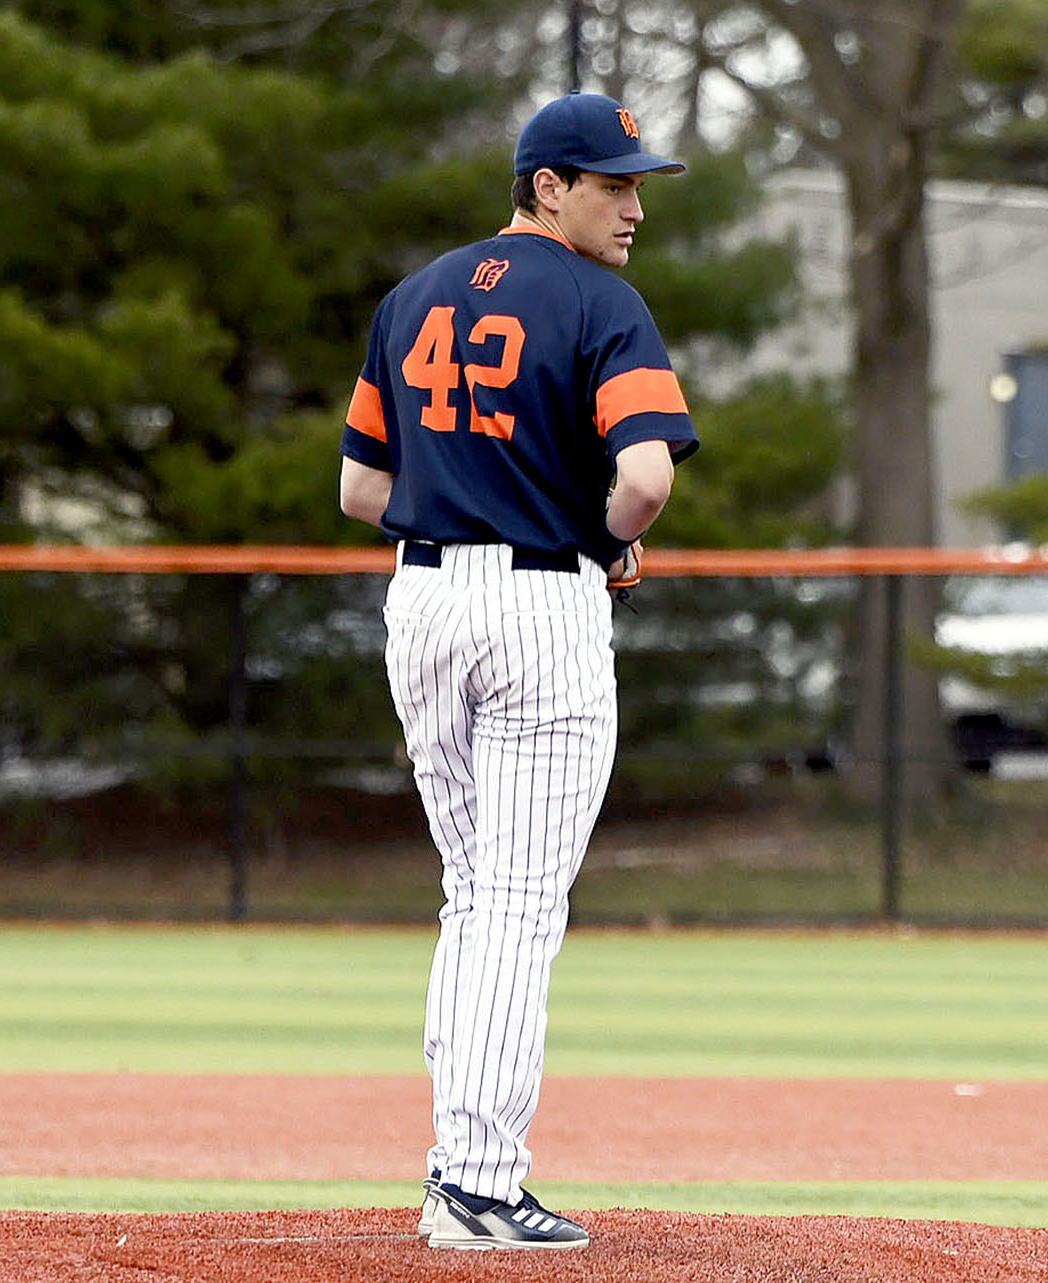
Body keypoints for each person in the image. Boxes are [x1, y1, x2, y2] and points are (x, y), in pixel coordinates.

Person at [336, 91, 698, 1252]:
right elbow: (643, 478)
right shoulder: (599, 299)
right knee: (517, 904)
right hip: (537, 602)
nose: (634, 205)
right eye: (613, 183)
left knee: (473, 894)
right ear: (547, 185)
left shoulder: (411, 295)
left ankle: (458, 1162)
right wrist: (600, 533)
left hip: (423, 594)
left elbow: (356, 490)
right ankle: (477, 1181)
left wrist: (462, 506)